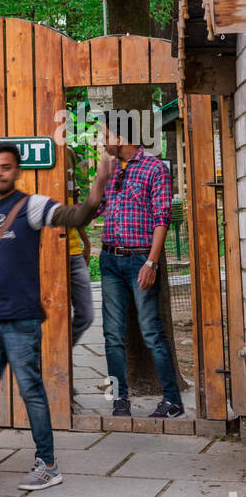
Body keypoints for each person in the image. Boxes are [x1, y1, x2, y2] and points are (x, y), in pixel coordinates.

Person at [0, 141, 113, 497]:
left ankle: (47, 465)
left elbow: (76, 218)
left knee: (32, 393)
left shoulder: (32, 206)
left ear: (16, 171)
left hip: (21, 319)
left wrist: (98, 187)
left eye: (6, 167)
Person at [96, 113, 184, 419]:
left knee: (151, 332)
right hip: (109, 261)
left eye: (105, 134)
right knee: (111, 335)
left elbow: (162, 218)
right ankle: (120, 399)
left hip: (140, 259)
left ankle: (173, 400)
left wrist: (151, 262)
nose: (102, 140)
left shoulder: (154, 168)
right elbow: (98, 209)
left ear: (121, 138)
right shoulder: (108, 170)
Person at [65, 147, 94, 347]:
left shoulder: (69, 154)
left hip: (73, 251)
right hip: (45, 253)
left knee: (86, 314)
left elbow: (74, 203)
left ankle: (61, 352)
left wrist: (86, 242)